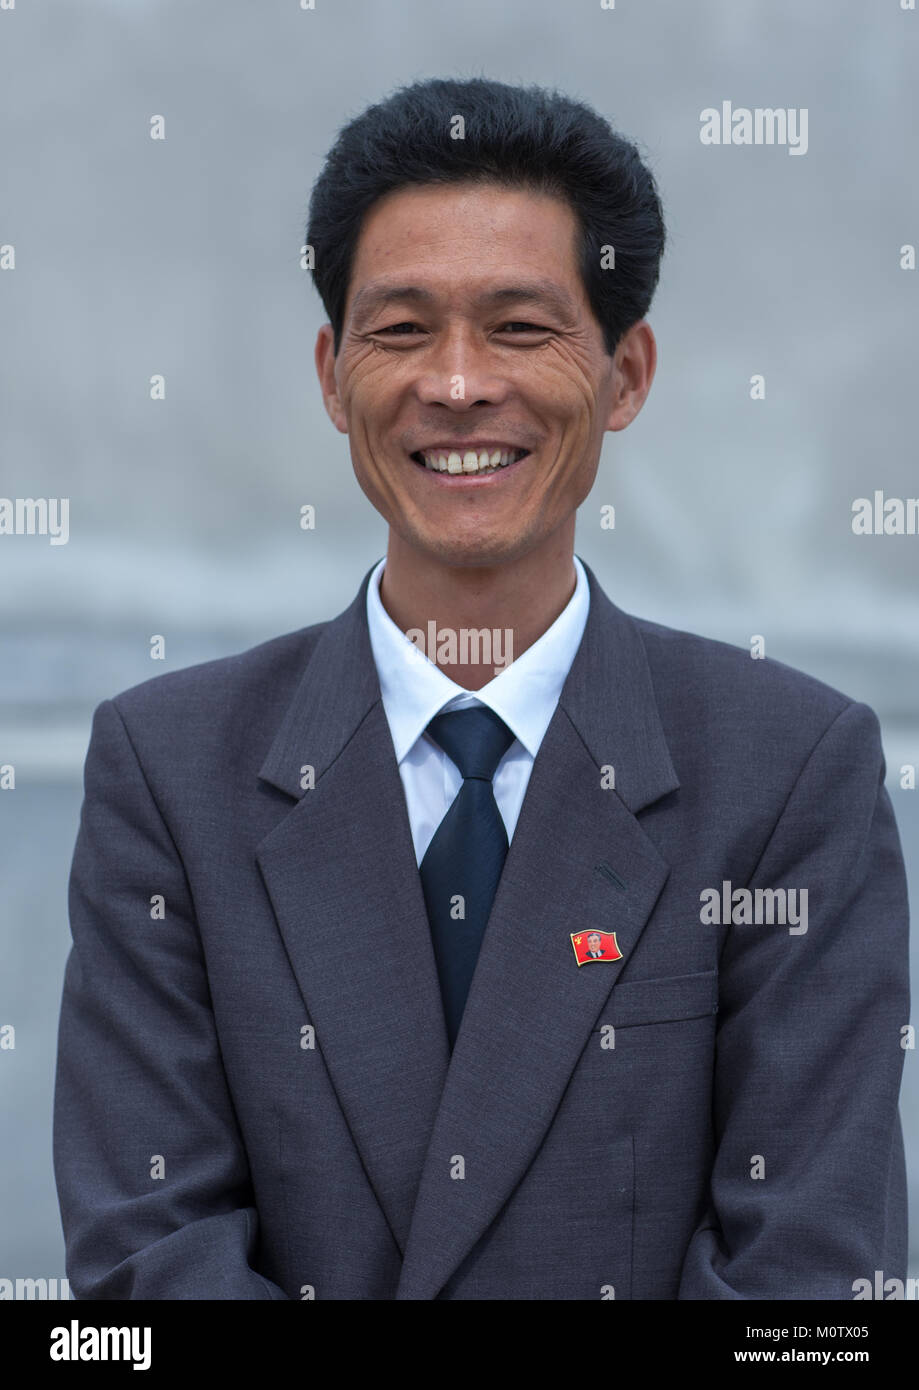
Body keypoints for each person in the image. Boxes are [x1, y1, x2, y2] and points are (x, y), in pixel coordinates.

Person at [53, 76, 910, 1301]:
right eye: (401, 329)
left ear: (625, 374)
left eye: (518, 326)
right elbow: (147, 1266)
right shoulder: (168, 771)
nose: (456, 385)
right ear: (332, 372)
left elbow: (812, 1288)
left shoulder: (787, 773)